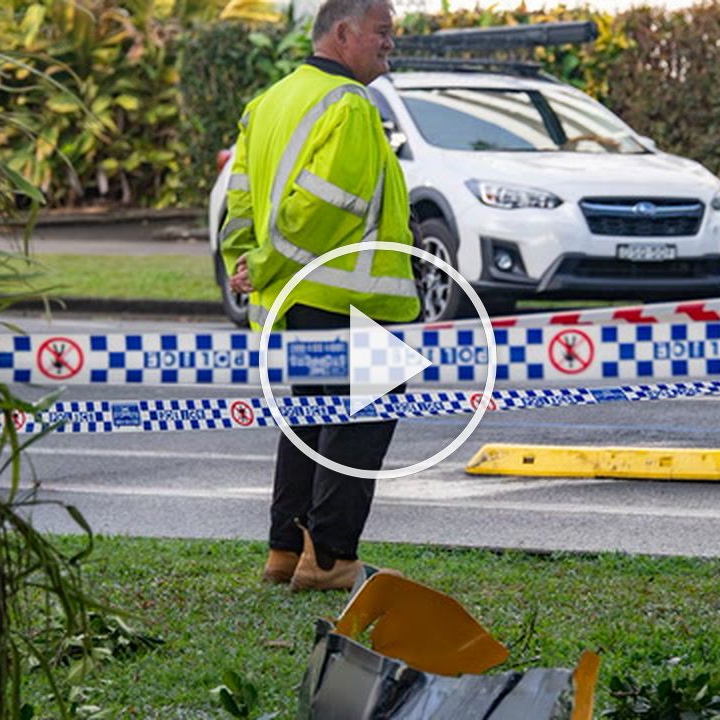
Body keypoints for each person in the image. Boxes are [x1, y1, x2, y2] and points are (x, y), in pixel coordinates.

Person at [219, 0, 420, 591]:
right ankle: (331, 557)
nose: (390, 44)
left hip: (297, 298)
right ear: (343, 33)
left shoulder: (270, 102)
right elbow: (329, 207)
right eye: (382, 32)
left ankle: (288, 550)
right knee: (361, 416)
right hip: (352, 297)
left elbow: (241, 198)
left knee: (309, 416)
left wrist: (248, 260)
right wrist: (263, 260)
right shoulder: (351, 106)